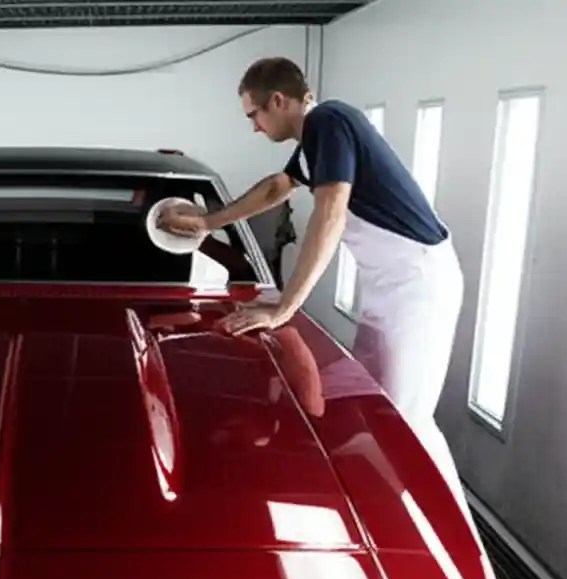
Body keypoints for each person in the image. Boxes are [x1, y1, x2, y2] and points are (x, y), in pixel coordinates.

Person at [158, 56, 465, 492]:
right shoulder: (318, 139)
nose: (254, 127)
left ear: (278, 101)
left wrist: (285, 307)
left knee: (405, 422)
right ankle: (383, 503)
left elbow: (331, 211)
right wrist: (210, 223)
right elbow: (276, 188)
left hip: (418, 286)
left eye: (254, 114)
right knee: (373, 410)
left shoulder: (328, 119)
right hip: (388, 289)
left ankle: (451, 545)